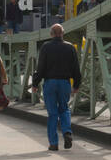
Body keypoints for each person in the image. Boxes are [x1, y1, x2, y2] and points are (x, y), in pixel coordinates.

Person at [31, 23, 81, 151]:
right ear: (63, 33)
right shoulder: (70, 48)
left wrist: (35, 83)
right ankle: (67, 132)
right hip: (65, 83)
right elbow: (76, 68)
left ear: (51, 34)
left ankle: (53, 143)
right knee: (64, 109)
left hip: (50, 83)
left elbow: (40, 67)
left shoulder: (46, 47)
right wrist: (76, 84)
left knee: (52, 113)